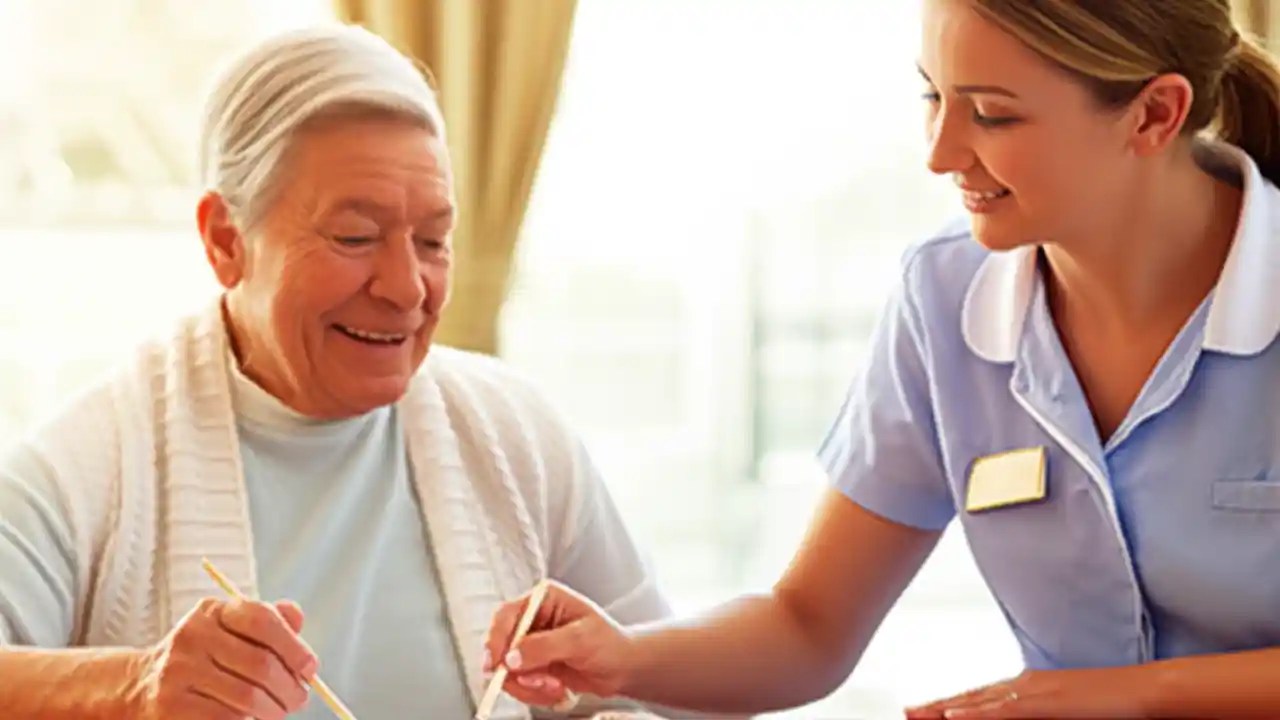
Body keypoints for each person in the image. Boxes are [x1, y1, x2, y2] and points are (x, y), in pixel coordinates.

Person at [483, 0, 1280, 717]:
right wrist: (624, 656)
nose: (940, 154)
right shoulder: (943, 297)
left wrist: (1130, 698)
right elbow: (808, 626)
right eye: (933, 97)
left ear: (1154, 115)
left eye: (993, 115)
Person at [0, 23, 673, 720]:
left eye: (434, 241)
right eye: (355, 237)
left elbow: (672, 689)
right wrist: (132, 687)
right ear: (226, 242)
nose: (407, 288)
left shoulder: (517, 437)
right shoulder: (92, 467)